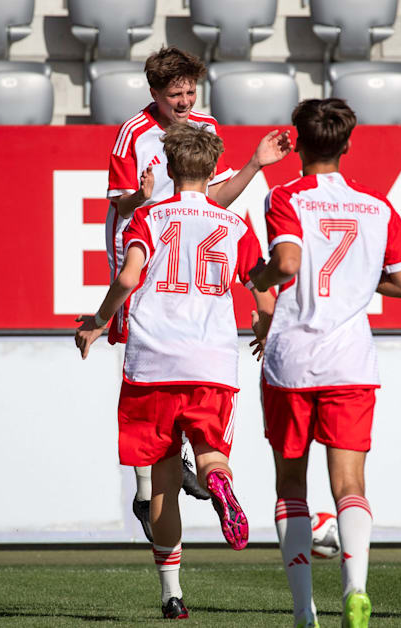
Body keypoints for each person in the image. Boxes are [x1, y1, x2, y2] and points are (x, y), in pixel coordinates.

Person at [78, 123, 276, 620]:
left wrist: (98, 322)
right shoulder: (234, 226)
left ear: (168, 168)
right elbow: (262, 286)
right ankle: (220, 485)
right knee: (211, 456)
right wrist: (266, 326)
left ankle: (172, 594)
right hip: (211, 364)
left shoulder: (148, 217)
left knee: (162, 482)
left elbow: (128, 276)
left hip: (151, 364)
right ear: (213, 172)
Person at [104, 45, 292, 541]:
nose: (185, 101)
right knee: (170, 370)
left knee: (148, 375)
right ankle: (186, 472)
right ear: (155, 94)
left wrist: (250, 166)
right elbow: (121, 205)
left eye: (190, 91)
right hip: (148, 257)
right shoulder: (131, 135)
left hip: (162, 263)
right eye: (175, 94)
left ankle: (150, 493)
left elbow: (211, 197)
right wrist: (140, 197)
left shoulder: (205, 127)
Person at [249, 98, 401, 628]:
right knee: (350, 486)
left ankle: (304, 612)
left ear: (297, 144)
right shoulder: (378, 205)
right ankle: (357, 589)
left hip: (292, 360)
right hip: (351, 363)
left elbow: (288, 262)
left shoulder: (285, 196)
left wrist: (258, 278)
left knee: (291, 487)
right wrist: (356, 284)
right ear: (347, 145)